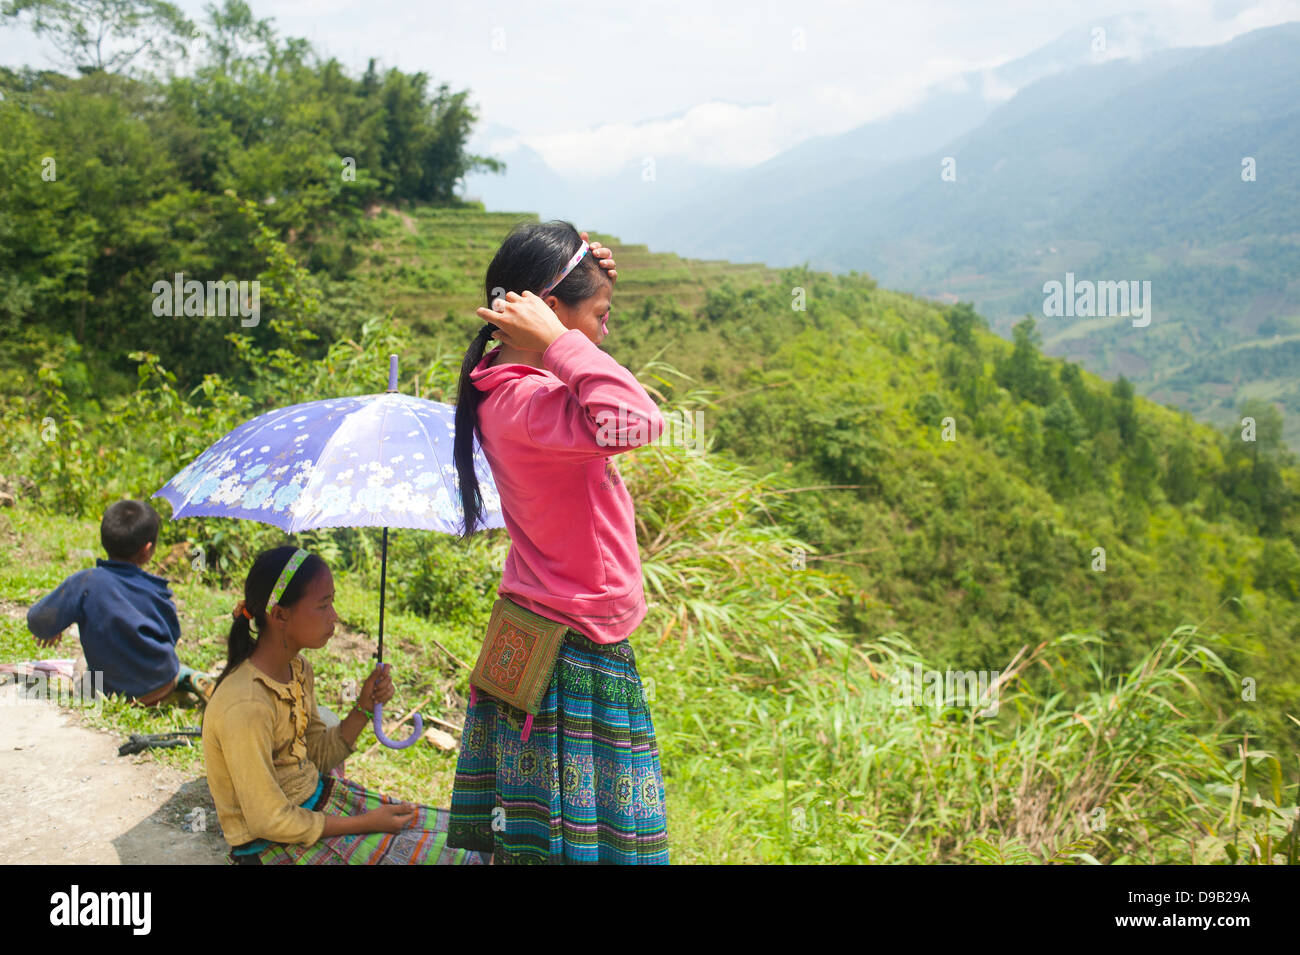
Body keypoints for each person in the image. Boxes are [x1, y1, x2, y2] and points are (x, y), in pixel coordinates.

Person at [448, 221, 670, 864]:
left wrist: (571, 303)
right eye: (599, 315)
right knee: (577, 835)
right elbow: (639, 419)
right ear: (547, 315)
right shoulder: (527, 404)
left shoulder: (509, 385)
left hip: (543, 617)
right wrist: (563, 340)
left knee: (544, 820)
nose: (606, 330)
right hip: (572, 636)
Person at [202, 544, 487, 865]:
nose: (334, 616)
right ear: (280, 614)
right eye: (324, 605)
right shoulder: (245, 704)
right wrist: (366, 823)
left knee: (467, 835)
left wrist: (365, 705)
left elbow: (319, 756)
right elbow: (267, 820)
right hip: (272, 847)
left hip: (319, 803)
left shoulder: (297, 670)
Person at [25, 499, 214, 705]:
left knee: (81, 666)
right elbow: (172, 635)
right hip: (161, 683)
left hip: (114, 694)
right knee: (171, 667)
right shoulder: (157, 589)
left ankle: (177, 681)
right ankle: (186, 677)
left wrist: (54, 626)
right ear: (147, 549)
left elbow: (37, 620)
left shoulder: (85, 582)